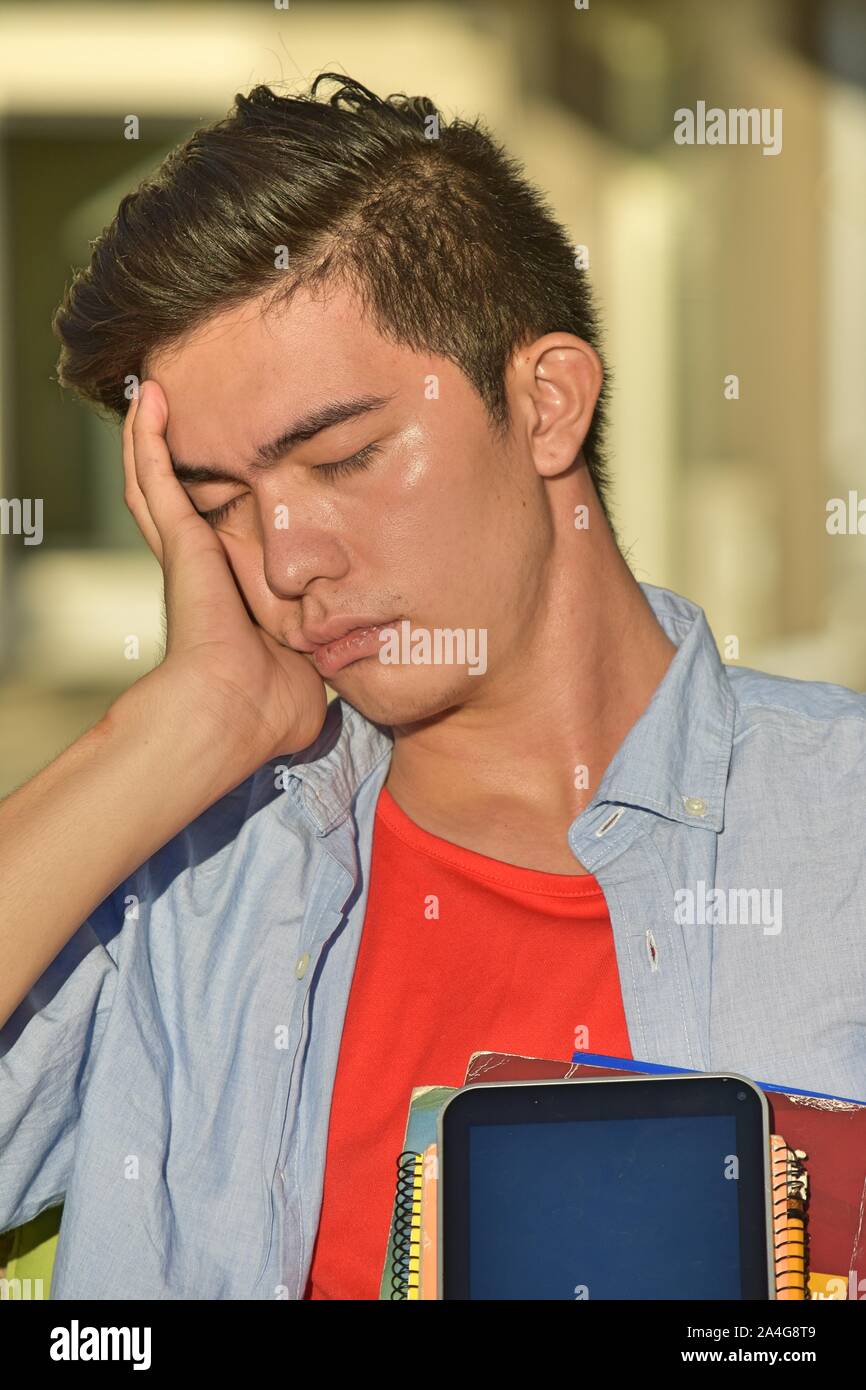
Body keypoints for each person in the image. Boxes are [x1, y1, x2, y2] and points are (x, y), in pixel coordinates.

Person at [1, 72, 864, 1302]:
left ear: (547, 400)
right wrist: (175, 728)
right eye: (217, 505)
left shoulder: (842, 832)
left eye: (344, 456)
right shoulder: (180, 880)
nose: (288, 557)